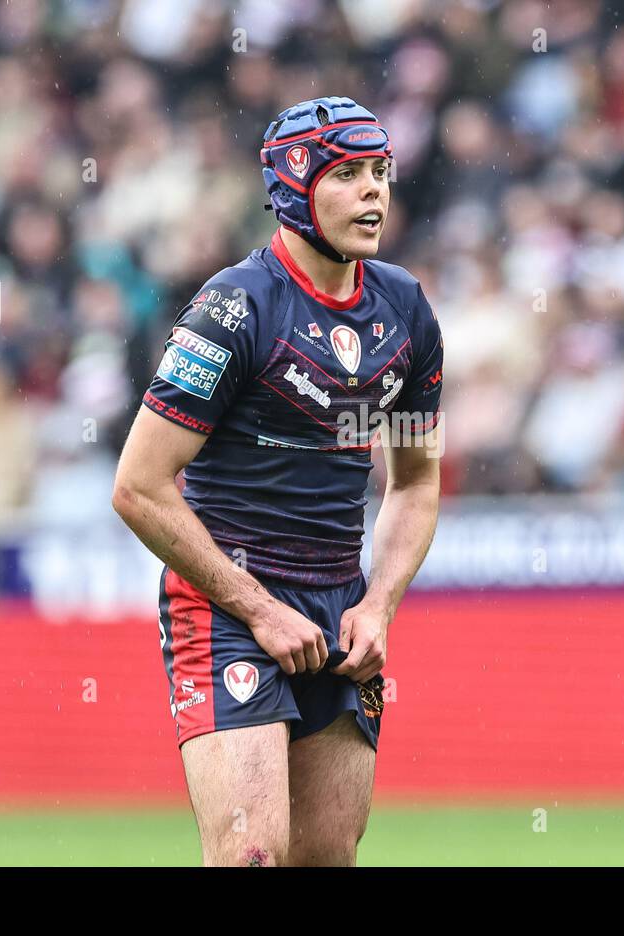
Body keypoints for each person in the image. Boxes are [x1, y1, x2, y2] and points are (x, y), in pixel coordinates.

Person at [112, 96, 444, 866]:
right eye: (349, 175)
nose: (374, 193)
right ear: (296, 186)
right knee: (250, 859)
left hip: (338, 609)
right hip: (227, 605)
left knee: (325, 859)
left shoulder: (406, 310)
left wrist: (379, 605)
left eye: (380, 173)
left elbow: (416, 485)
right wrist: (258, 609)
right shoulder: (232, 309)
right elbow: (138, 486)